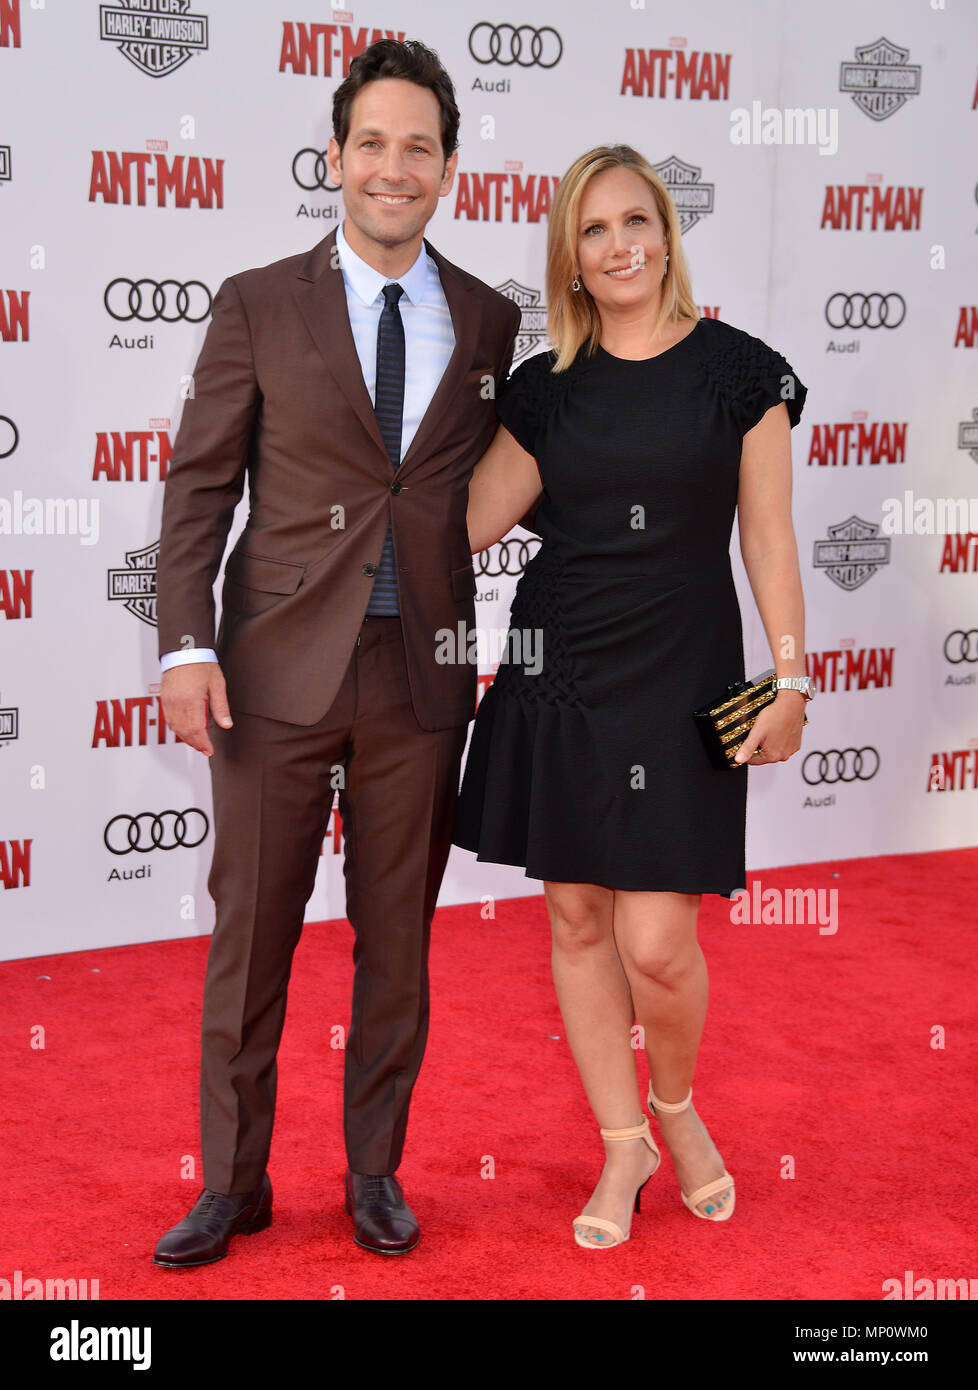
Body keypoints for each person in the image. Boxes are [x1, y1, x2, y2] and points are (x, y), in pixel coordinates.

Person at [152, 39, 520, 1264]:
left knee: (398, 944)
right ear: (336, 157)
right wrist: (185, 646)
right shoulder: (258, 299)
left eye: (419, 146)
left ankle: (374, 1173)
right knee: (250, 934)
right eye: (373, 143)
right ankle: (234, 1181)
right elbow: (201, 486)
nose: (394, 167)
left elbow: (486, 479)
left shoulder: (489, 318)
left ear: (450, 169)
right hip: (270, 672)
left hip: (420, 677)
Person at [454, 144, 812, 1247]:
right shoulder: (548, 389)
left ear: (667, 230)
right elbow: (465, 522)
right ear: (570, 257)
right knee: (573, 916)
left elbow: (766, 538)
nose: (620, 245)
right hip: (561, 671)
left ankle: (675, 1109)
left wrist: (790, 677)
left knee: (658, 941)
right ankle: (622, 1148)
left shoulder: (740, 372)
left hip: (687, 673)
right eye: (594, 230)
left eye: (635, 221)